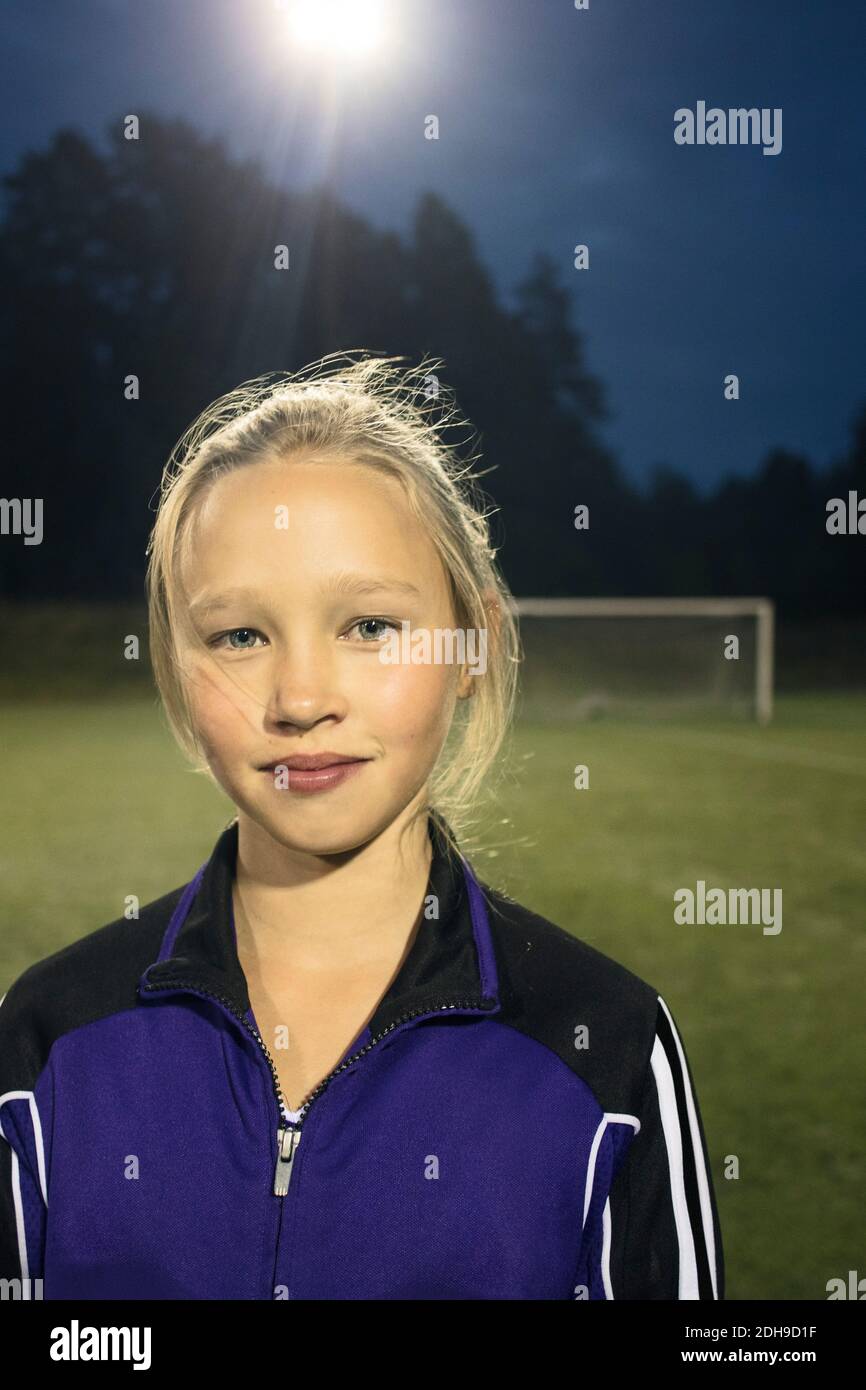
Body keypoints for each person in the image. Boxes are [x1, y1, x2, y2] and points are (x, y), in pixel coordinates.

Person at [0, 352, 723, 1300]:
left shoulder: (604, 1044)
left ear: (475, 645)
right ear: (175, 671)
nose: (301, 699)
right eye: (239, 636)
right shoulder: (51, 1040)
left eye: (370, 625)